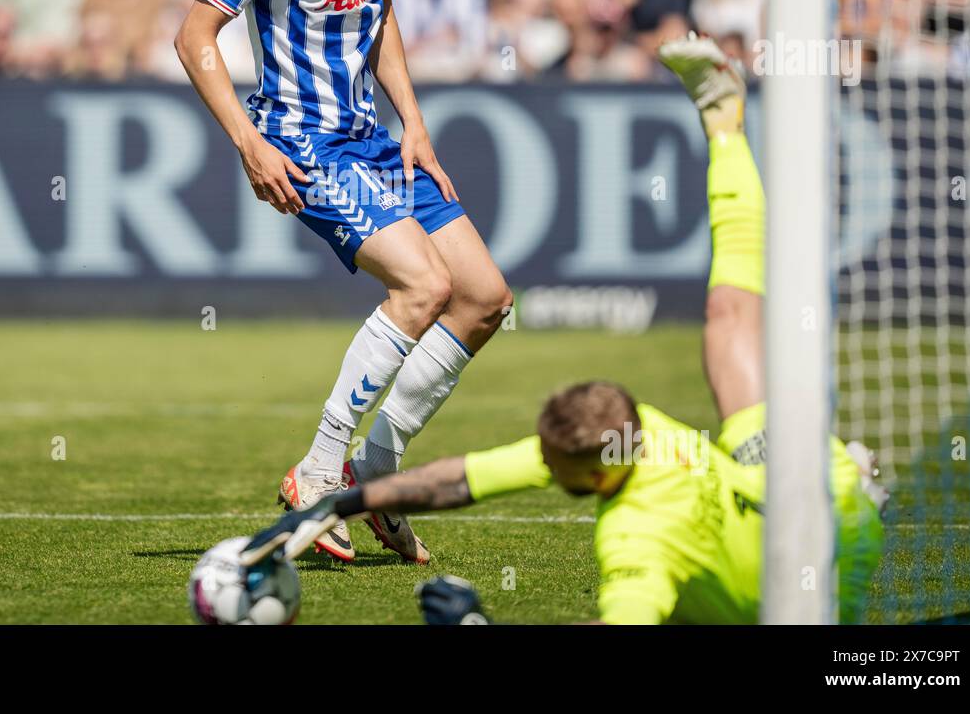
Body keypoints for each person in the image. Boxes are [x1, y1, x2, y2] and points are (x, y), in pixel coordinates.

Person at [241, 34, 888, 624]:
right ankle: (724, 127)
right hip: (823, 519)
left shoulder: (637, 524)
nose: (542, 462)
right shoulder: (645, 465)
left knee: (729, 318)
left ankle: (723, 126)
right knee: (731, 321)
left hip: (802, 541)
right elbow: (466, 479)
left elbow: (466, 483)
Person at [174, 0, 512, 565]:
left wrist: (414, 123)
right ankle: (321, 469)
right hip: (302, 142)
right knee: (424, 286)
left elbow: (380, 7)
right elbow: (194, 38)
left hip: (370, 137)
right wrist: (249, 144)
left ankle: (376, 480)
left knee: (486, 299)